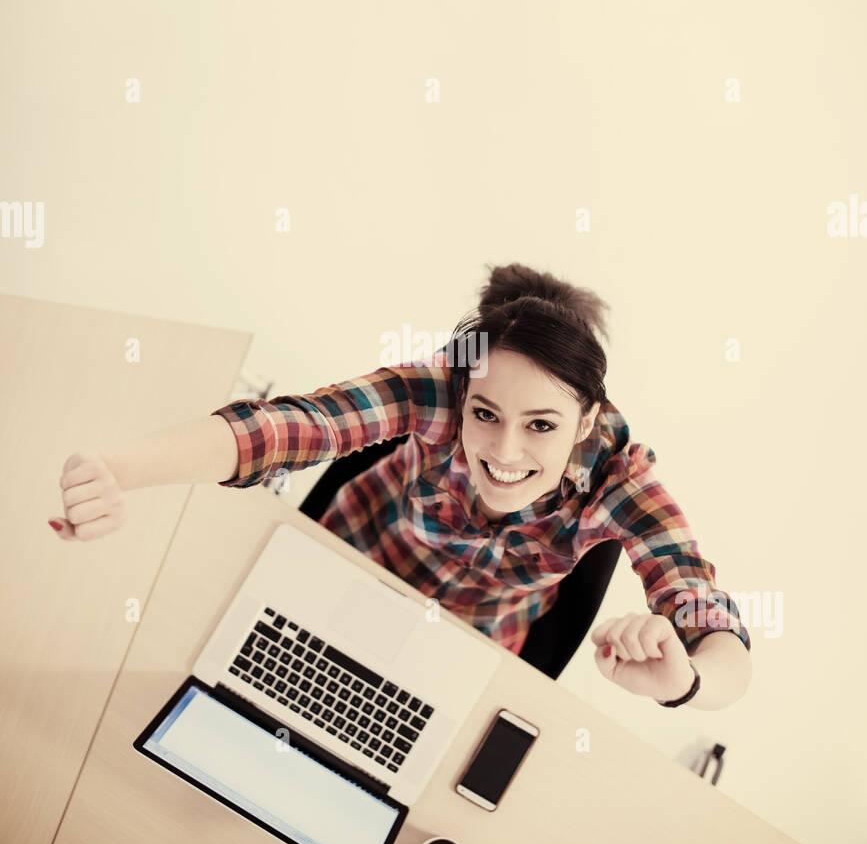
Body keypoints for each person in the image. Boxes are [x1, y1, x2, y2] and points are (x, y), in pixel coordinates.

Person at [48, 262, 751, 711]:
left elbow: (709, 621)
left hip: (459, 644)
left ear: (585, 420)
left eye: (541, 425)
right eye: (485, 415)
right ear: (463, 390)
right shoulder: (437, 387)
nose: (504, 452)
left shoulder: (617, 476)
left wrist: (687, 683)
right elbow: (288, 428)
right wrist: (121, 472)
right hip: (343, 558)